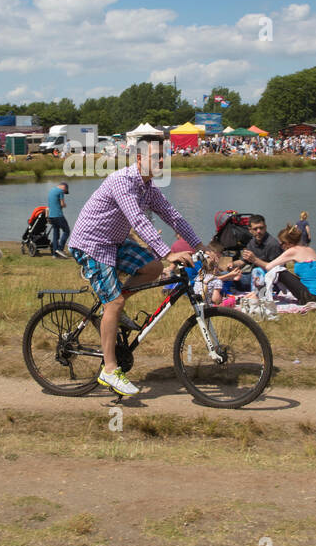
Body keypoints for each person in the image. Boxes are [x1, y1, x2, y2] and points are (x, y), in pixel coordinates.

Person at [66, 130, 203, 397]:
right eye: (157, 156)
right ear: (139, 158)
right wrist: (168, 253)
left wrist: (200, 245)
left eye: (164, 156)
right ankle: (109, 370)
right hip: (91, 244)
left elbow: (172, 216)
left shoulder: (148, 187)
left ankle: (114, 312)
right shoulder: (123, 181)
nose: (162, 161)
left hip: (115, 242)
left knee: (151, 269)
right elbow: (138, 221)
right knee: (114, 302)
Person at [250, 224, 316, 305]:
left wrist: (254, 259)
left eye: (281, 244)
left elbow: (269, 267)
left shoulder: (293, 251)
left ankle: (259, 294)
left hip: (310, 297)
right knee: (282, 271)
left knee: (278, 271)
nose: (281, 247)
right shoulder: (310, 249)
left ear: (287, 243)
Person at [239, 214, 284, 291]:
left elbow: (276, 269)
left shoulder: (273, 244)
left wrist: (254, 260)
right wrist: (231, 265)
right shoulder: (252, 242)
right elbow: (243, 261)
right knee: (229, 276)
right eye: (255, 229)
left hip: (271, 279)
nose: (259, 231)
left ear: (265, 227)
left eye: (261, 228)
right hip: (256, 275)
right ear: (250, 230)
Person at [47, 182, 70, 258]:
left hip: (51, 216)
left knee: (55, 233)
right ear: (64, 187)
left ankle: (54, 254)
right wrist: (65, 205)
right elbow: (62, 204)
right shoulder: (60, 191)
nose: (64, 192)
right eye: (65, 191)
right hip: (58, 215)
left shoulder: (51, 190)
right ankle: (60, 249)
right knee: (67, 231)